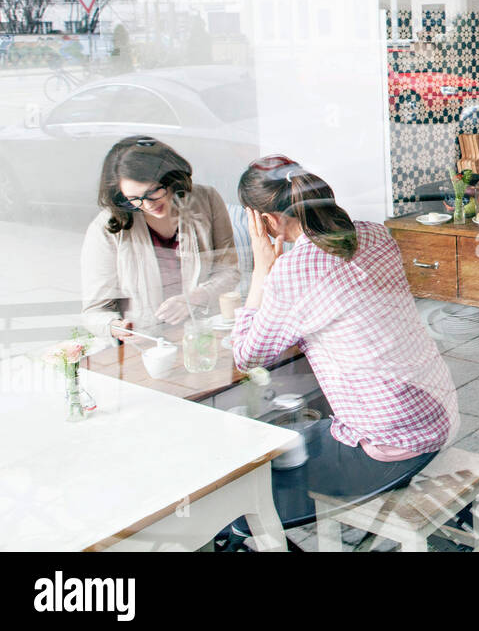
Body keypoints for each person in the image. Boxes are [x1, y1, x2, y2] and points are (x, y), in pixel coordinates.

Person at [230, 155, 459, 528]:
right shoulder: (374, 233)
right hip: (436, 412)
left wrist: (262, 269)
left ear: (266, 221)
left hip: (390, 443)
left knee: (251, 480)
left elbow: (246, 355)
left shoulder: (295, 268)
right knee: (305, 424)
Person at [81, 135, 239, 337]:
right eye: (133, 199)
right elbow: (94, 311)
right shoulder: (107, 228)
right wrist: (115, 326)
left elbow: (229, 271)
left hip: (205, 332)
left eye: (153, 192)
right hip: (146, 344)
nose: (147, 205)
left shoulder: (206, 200)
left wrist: (193, 298)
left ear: (170, 178)